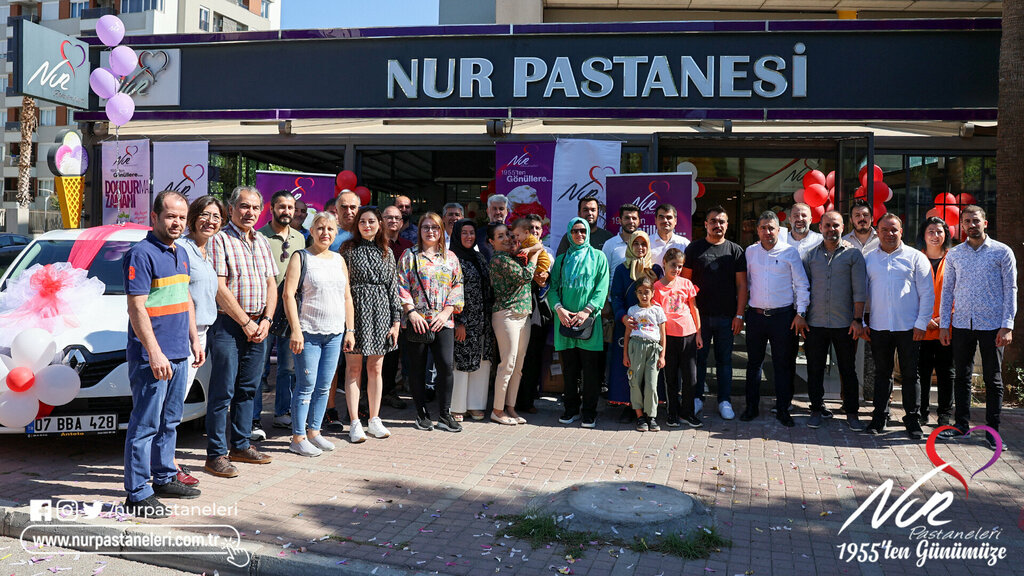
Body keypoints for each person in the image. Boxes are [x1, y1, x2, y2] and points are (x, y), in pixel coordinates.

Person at [122, 190, 203, 518]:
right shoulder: (140, 254)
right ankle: (138, 493)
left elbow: (185, 299)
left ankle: (164, 476)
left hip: (180, 352)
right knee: (145, 423)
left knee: (170, 421)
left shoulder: (181, 252)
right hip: (153, 356)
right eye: (170, 216)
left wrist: (195, 340)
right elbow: (136, 307)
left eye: (182, 217)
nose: (177, 222)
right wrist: (154, 352)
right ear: (154, 217)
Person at [204, 186, 277, 479]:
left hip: (260, 325)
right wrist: (245, 321)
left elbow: (272, 284)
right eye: (244, 207)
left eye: (256, 208)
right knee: (223, 391)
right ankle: (216, 455)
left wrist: (267, 319)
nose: (250, 213)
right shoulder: (219, 240)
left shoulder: (261, 241)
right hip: (228, 325)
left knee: (249, 388)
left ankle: (241, 445)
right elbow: (219, 288)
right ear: (232, 209)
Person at [939, 205, 1017, 451]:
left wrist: (1007, 325)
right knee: (961, 377)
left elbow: (1011, 290)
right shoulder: (954, 254)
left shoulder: (1002, 252)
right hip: (962, 323)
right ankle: (961, 426)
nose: (971, 225)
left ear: (985, 223)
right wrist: (944, 324)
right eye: (966, 221)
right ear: (961, 225)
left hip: (992, 325)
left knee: (992, 380)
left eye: (975, 220)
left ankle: (992, 433)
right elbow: (947, 292)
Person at [283, 212, 355, 456]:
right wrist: (296, 330)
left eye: (330, 229)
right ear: (311, 231)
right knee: (306, 385)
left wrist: (350, 330)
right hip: (309, 332)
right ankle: (298, 437)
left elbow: (346, 297)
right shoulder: (301, 257)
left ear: (336, 233)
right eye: (320, 228)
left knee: (324, 386)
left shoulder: (338, 260)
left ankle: (314, 432)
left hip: (335, 333)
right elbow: (288, 295)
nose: (325, 232)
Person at [863, 213, 933, 439]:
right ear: (877, 232)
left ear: (901, 231)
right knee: (882, 374)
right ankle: (879, 417)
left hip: (909, 327)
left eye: (894, 229)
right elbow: (862, 294)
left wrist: (922, 323)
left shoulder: (915, 258)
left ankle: (912, 420)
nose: (890, 234)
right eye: (885, 230)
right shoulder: (868, 258)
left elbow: (927, 294)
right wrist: (863, 322)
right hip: (879, 326)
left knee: (911, 375)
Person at [174, 195, 226, 486]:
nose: (211, 221)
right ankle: (167, 465)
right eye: (205, 214)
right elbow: (182, 297)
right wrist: (194, 338)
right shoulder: (182, 249)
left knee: (178, 404)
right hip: (185, 334)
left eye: (216, 216)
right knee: (172, 405)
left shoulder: (207, 250)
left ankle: (168, 462)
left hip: (202, 334)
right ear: (193, 217)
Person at [397, 212, 465, 432]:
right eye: (426, 227)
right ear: (420, 230)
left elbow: (458, 285)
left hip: (442, 321)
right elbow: (400, 285)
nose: (430, 231)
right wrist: (411, 312)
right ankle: (421, 413)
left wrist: (446, 312)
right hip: (416, 320)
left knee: (446, 366)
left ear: (441, 230)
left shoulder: (450, 257)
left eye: (435, 227)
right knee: (417, 369)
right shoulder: (409, 255)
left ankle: (444, 414)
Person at [742, 211, 809, 428]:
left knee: (783, 365)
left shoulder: (790, 252)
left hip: (783, 317)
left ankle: (783, 409)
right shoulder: (750, 252)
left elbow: (801, 284)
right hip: (757, 316)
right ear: (757, 230)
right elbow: (747, 283)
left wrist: (801, 313)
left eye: (771, 228)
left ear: (779, 230)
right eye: (763, 228)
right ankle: (751, 407)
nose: (767, 232)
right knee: (754, 364)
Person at [341, 206, 402, 443]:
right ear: (357, 225)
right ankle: (355, 422)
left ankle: (374, 419)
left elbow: (393, 288)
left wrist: (396, 322)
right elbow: (343, 287)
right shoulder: (347, 249)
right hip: (355, 312)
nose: (367, 225)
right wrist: (348, 325)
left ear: (379, 224)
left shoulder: (387, 251)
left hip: (381, 314)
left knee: (376, 368)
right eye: (363, 221)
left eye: (372, 221)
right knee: (353, 368)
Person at [802, 211, 866, 431]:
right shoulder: (810, 256)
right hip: (815, 323)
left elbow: (860, 291)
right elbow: (803, 289)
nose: (831, 229)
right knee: (815, 369)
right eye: (827, 225)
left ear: (842, 227)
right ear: (820, 227)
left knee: (848, 370)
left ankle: (852, 412)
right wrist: (802, 316)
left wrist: (858, 320)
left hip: (844, 324)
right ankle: (816, 410)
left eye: (835, 225)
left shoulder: (853, 255)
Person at [682, 206, 747, 420]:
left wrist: (739, 315)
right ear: (706, 224)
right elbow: (685, 283)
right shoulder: (693, 249)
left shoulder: (735, 251)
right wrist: (689, 315)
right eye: (713, 221)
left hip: (726, 317)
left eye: (721, 221)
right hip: (698, 317)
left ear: (727, 225)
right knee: (697, 360)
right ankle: (697, 398)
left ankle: (724, 400)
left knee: (724, 361)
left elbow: (742, 286)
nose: (717, 225)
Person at [549, 218, 610, 428]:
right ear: (568, 233)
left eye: (583, 231)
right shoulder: (561, 260)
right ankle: (571, 409)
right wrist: (559, 309)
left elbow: (602, 287)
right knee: (570, 370)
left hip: (589, 322)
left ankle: (589, 412)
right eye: (575, 230)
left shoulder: (598, 257)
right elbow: (553, 289)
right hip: (564, 321)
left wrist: (586, 311)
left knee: (591, 372)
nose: (579, 235)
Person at [254, 190, 305, 439]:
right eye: (282, 207)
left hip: (290, 312)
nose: (287, 211)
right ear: (272, 208)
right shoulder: (258, 236)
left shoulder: (301, 239)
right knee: (257, 367)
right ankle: (253, 419)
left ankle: (282, 412)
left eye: (290, 207)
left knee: (288, 367)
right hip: (262, 311)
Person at [488, 222, 542, 425]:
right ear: (491, 242)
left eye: (508, 235)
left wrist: (532, 248)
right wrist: (534, 256)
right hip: (506, 315)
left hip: (522, 315)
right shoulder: (499, 259)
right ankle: (497, 410)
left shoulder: (513, 255)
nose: (507, 239)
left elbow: (539, 245)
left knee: (518, 366)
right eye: (500, 236)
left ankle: (510, 407)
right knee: (507, 365)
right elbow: (525, 276)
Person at [610, 231, 663, 416]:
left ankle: (650, 410)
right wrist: (623, 317)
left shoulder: (655, 270)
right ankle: (629, 407)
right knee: (630, 368)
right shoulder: (621, 269)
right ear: (630, 246)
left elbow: (660, 296)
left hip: (649, 329)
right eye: (636, 244)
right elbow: (615, 296)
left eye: (644, 244)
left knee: (649, 372)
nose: (640, 248)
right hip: (628, 326)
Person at [449, 219, 495, 422]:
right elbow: (449, 292)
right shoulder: (450, 258)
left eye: (472, 232)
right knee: (461, 362)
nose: (469, 236)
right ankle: (457, 406)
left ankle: (476, 405)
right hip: (464, 320)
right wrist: (459, 321)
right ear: (457, 235)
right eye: (464, 233)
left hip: (483, 320)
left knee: (482, 362)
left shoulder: (479, 257)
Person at [653, 248, 702, 428]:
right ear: (664, 263)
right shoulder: (657, 287)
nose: (677, 270)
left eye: (680, 266)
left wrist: (698, 332)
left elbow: (694, 308)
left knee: (691, 377)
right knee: (670, 378)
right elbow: (657, 317)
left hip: (688, 334)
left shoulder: (686, 284)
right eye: (674, 265)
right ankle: (672, 412)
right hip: (668, 337)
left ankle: (687, 413)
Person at [511, 215, 552, 414]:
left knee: (534, 355)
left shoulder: (548, 252)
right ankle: (511, 400)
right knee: (516, 355)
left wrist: (546, 276)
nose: (535, 231)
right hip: (518, 306)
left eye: (538, 228)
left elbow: (554, 279)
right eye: (531, 228)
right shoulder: (516, 248)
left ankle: (528, 400)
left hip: (538, 309)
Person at [916, 216, 954, 428]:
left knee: (946, 372)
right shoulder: (915, 258)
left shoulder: (954, 259)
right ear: (923, 234)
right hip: (920, 327)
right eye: (931, 231)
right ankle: (921, 413)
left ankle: (944, 415)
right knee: (921, 371)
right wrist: (924, 319)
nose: (935, 236)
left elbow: (961, 292)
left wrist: (943, 319)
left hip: (946, 329)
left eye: (939, 232)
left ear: (945, 235)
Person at [623, 275, 667, 432]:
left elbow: (663, 334)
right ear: (636, 294)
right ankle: (640, 416)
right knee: (635, 381)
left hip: (653, 349)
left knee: (651, 384)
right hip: (636, 347)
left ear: (653, 292)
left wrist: (662, 355)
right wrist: (625, 355)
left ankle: (651, 416)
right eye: (640, 292)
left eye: (647, 292)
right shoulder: (633, 311)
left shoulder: (657, 311)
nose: (644, 295)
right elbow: (627, 335)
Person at [380, 205, 413, 410]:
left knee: (394, 352)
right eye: (388, 217)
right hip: (376, 305)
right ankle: (368, 394)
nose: (393, 221)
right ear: (381, 220)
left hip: (401, 307)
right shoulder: (374, 244)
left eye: (397, 218)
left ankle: (389, 391)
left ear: (402, 222)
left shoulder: (409, 246)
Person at [602, 204, 642, 274]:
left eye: (634, 218)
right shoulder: (609, 244)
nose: (631, 221)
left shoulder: (645, 245)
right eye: (627, 218)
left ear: (639, 222)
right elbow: (603, 273)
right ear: (620, 220)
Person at [477, 194, 509, 260]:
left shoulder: (513, 232)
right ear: (488, 211)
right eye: (494, 209)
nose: (498, 212)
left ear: (507, 212)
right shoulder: (478, 233)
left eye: (501, 209)